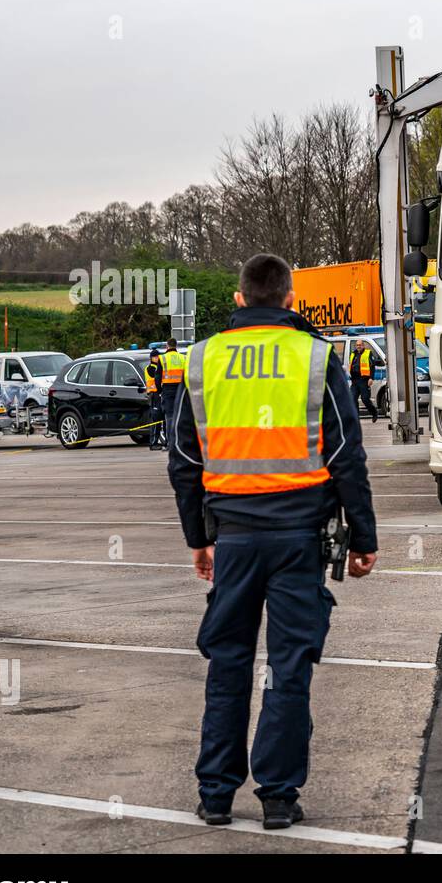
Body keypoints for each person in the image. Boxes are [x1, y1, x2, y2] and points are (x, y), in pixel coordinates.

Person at [167, 253, 378, 830]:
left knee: (228, 663)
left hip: (232, 538)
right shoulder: (316, 356)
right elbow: (346, 456)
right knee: (289, 667)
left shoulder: (202, 359)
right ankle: (279, 798)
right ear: (290, 300)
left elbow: (184, 460)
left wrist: (198, 538)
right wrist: (364, 535)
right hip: (298, 539)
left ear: (239, 300)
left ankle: (215, 795)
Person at [348, 338, 380, 424]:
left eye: (360, 345)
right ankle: (356, 418)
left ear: (363, 345)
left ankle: (374, 412)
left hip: (364, 380)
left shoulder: (368, 353)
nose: (358, 346)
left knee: (365, 399)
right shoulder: (353, 354)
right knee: (352, 398)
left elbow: (372, 366)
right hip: (354, 381)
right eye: (357, 345)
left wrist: (371, 378)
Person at [159, 337, 187, 435]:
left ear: (167, 346)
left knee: (170, 416)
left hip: (168, 390)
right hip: (181, 389)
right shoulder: (183, 357)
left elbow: (157, 377)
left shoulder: (162, 358)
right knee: (181, 415)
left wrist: (159, 390)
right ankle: (180, 440)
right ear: (176, 346)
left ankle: (170, 442)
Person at [144, 349, 165, 450]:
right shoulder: (150, 368)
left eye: (158, 356)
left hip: (159, 395)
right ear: (151, 358)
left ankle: (159, 442)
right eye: (155, 357)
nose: (157, 358)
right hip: (154, 395)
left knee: (160, 419)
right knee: (156, 420)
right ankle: (153, 443)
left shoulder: (159, 367)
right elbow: (157, 377)